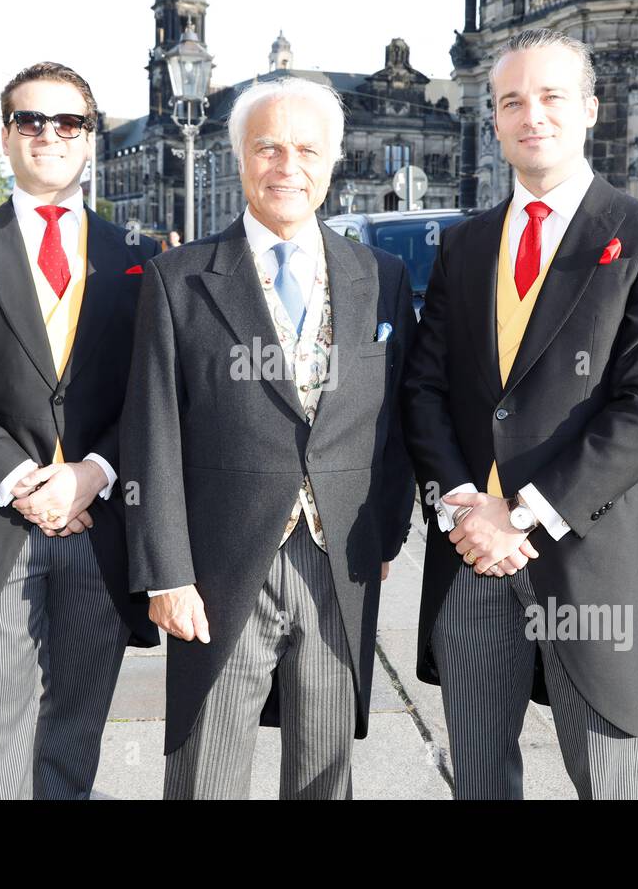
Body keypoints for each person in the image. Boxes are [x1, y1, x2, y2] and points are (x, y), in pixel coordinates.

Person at [401, 28, 638, 800]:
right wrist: (466, 506)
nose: (531, 114)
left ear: (590, 109)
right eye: (511, 101)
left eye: (550, 96)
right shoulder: (465, 246)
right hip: (469, 554)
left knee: (606, 779)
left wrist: (525, 514)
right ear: (496, 121)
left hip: (581, 557)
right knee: (479, 777)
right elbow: (425, 389)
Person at [121, 76, 416, 799]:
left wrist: (383, 535)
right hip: (217, 567)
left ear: (332, 162)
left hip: (337, 561)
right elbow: (151, 429)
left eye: (307, 149)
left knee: (325, 769)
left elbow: (397, 418)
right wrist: (166, 571)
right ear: (240, 159)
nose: (289, 166)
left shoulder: (380, 276)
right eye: (269, 148)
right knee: (206, 769)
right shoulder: (178, 278)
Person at [0, 62, 160, 799]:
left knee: (73, 738)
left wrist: (92, 473)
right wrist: (23, 483)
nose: (49, 134)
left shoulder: (139, 257)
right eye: (31, 121)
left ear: (91, 140)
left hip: (100, 528)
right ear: (6, 135)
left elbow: (153, 390)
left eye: (68, 122)